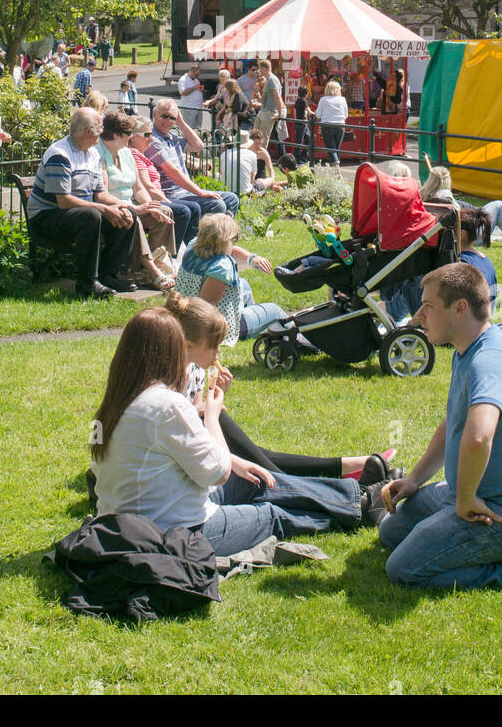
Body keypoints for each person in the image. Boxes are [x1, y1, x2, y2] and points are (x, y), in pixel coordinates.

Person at [88, 308, 383, 559]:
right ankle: (359, 509)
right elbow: (216, 473)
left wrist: (237, 462)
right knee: (269, 514)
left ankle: (356, 497)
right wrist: (213, 414)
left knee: (256, 478)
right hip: (174, 534)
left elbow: (174, 462)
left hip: (129, 523)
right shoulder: (165, 404)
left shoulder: (116, 403)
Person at [378, 263, 502, 587]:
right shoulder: (466, 350)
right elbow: (453, 424)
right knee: (391, 530)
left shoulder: (489, 360)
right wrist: (414, 479)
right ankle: (498, 546)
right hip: (469, 492)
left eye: (428, 306)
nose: (418, 315)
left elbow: (478, 437)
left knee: (403, 569)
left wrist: (466, 500)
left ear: (460, 308)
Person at [172, 293, 398, 484]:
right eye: (213, 347)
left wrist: (215, 398)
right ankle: (324, 481)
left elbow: (195, 408)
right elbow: (181, 424)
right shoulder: (167, 377)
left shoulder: (196, 369)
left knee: (258, 454)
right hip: (189, 451)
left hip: (199, 438)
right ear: (188, 345)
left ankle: (344, 468)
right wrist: (211, 410)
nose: (218, 353)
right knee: (243, 443)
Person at [27, 107, 140, 297]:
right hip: (47, 217)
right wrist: (104, 209)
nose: (103, 131)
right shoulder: (60, 154)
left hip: (78, 214)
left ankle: (109, 274)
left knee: (126, 213)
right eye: (100, 127)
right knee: (91, 215)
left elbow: (100, 194)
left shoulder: (93, 154)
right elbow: (64, 201)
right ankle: (87, 284)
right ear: (89, 132)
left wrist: (125, 206)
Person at [174, 212, 288, 345]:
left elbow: (232, 250)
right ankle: (298, 342)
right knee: (275, 310)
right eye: (234, 238)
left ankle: (251, 317)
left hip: (184, 315)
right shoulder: (221, 268)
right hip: (220, 328)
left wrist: (252, 258)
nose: (235, 241)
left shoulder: (193, 245)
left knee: (243, 284)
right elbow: (204, 309)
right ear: (223, 240)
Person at [97, 109, 177, 290]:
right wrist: (136, 208)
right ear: (117, 135)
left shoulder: (126, 153)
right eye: (128, 133)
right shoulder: (98, 153)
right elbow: (102, 194)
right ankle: (152, 269)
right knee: (132, 215)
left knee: (164, 212)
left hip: (129, 205)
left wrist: (149, 205)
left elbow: (139, 188)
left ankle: (162, 264)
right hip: (111, 208)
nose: (131, 137)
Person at [145, 99, 238, 244]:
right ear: (155, 114)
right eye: (164, 116)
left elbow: (198, 146)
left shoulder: (172, 138)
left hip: (185, 192)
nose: (168, 121)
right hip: (171, 194)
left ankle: (223, 242)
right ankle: (206, 246)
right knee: (217, 205)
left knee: (231, 199)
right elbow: (172, 171)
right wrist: (200, 192)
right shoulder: (152, 139)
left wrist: (180, 122)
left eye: (172, 118)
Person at [128, 117, 195, 253]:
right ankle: (168, 256)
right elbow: (147, 187)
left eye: (151, 134)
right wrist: (167, 201)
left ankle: (190, 254)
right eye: (147, 135)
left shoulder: (142, 154)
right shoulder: (135, 154)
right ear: (134, 137)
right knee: (183, 211)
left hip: (156, 197)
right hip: (147, 200)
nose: (151, 139)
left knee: (193, 208)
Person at [422, 163, 502, 247]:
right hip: (468, 236)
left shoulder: (424, 196)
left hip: (444, 235)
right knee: (499, 205)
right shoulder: (444, 194)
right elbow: (457, 213)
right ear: (447, 180)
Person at [315, 78, 347, 173]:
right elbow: (346, 114)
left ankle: (337, 170)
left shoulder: (323, 99)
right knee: (336, 149)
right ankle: (335, 170)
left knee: (331, 148)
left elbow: (318, 115)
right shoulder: (342, 99)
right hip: (340, 125)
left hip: (327, 124)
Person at [254, 58, 284, 150]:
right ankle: (256, 159)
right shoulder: (269, 79)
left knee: (262, 140)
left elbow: (277, 96)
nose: (259, 71)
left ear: (264, 68)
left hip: (269, 112)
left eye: (260, 68)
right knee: (255, 136)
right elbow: (267, 99)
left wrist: (279, 113)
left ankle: (261, 162)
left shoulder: (272, 80)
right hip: (264, 111)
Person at [218, 130, 257, 198]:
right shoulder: (252, 155)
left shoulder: (224, 154)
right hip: (245, 192)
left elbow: (221, 172)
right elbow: (252, 178)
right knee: (264, 182)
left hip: (226, 191)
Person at [177, 63, 205, 131]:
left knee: (197, 129)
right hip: (189, 108)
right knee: (189, 129)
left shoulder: (196, 80)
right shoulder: (183, 79)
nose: (197, 76)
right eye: (196, 74)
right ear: (192, 71)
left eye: (198, 75)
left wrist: (200, 90)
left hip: (198, 108)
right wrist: (194, 88)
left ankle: (196, 141)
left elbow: (196, 91)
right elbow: (183, 92)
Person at [292, 83, 314, 163]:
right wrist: (314, 114)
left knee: (306, 139)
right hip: (302, 124)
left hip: (299, 122)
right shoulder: (304, 101)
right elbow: (309, 111)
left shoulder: (297, 100)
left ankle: (302, 156)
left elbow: (294, 112)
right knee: (301, 141)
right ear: (306, 93)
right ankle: (297, 158)